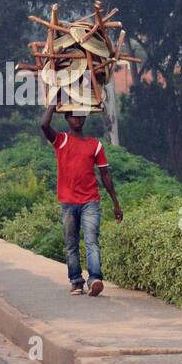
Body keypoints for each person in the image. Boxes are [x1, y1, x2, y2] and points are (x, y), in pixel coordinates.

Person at [41, 93, 123, 296]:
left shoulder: (95, 145)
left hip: (90, 201)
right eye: (74, 116)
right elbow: (44, 125)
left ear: (85, 118)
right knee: (71, 244)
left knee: (92, 240)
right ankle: (76, 281)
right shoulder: (60, 140)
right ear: (67, 118)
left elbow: (105, 175)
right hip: (68, 202)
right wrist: (55, 100)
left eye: (81, 116)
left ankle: (95, 278)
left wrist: (116, 203)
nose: (78, 119)